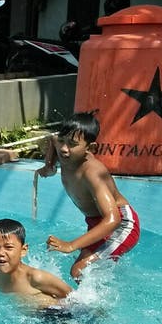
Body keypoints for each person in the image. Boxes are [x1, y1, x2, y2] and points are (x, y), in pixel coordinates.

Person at [36, 111, 140, 279]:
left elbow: (113, 219)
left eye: (72, 144)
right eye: (62, 141)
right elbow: (54, 139)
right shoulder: (60, 145)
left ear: (90, 148)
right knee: (81, 271)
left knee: (79, 271)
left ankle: (99, 305)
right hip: (96, 222)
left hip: (122, 224)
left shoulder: (93, 173)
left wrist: (71, 245)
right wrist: (49, 166)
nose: (63, 148)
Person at [0, 218, 98, 324]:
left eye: (8, 247)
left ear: (23, 250)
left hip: (61, 319)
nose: (0, 253)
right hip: (35, 321)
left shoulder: (35, 277)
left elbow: (73, 296)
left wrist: (93, 316)